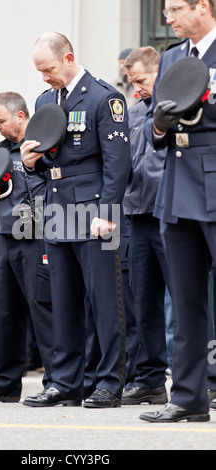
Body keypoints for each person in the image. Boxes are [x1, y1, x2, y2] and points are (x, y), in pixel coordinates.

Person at [21, 31, 131, 408]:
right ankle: (64, 383)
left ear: (68, 58)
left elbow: (118, 165)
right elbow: (46, 162)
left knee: (104, 301)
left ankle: (107, 383)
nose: (44, 78)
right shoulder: (44, 100)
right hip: (57, 208)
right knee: (62, 301)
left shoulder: (104, 97)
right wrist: (29, 162)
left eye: (48, 69)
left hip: (94, 209)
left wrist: (107, 214)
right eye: (39, 71)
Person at [140, 0, 216, 423]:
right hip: (177, 183)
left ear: (202, 6)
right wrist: (159, 126)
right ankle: (188, 398)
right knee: (185, 299)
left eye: (174, 9)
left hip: (214, 177)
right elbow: (154, 127)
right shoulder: (171, 57)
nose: (167, 19)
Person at [0, 92, 53, 404]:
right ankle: (4, 382)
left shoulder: (44, 144)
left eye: (0, 121)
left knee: (44, 309)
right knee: (4, 313)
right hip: (4, 237)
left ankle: (57, 381)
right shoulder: (1, 150)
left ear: (20, 116)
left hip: (36, 236)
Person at [121, 46, 171, 405]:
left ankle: (207, 377)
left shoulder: (181, 108)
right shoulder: (134, 112)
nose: (135, 88)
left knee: (189, 301)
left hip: (173, 214)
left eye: (140, 80)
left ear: (159, 71)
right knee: (144, 302)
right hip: (137, 217)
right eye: (131, 82)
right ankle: (151, 378)